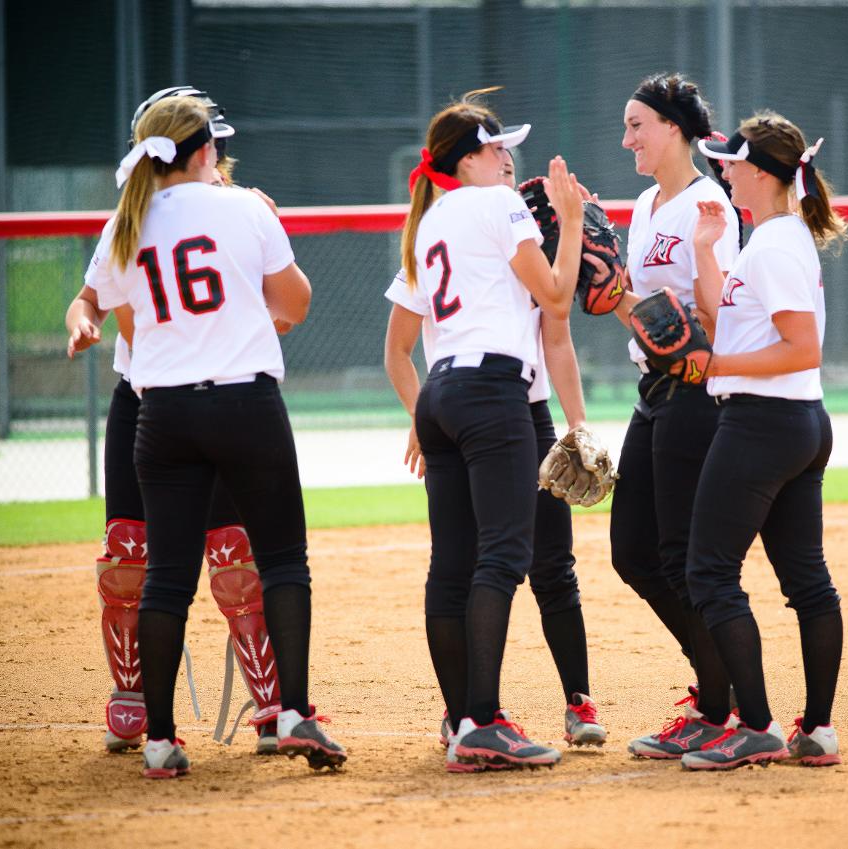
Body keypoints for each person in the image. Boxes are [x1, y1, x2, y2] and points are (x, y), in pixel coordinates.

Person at [82, 94, 345, 778]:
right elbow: (295, 304)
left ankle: (160, 739)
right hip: (242, 401)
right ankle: (291, 712)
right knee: (282, 561)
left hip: (162, 411)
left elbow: (122, 318)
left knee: (167, 579)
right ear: (205, 152)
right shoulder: (244, 207)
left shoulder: (129, 219)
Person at [384, 139, 607, 753]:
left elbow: (556, 339)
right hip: (489, 410)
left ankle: (575, 701)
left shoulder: (510, 242)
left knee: (551, 564)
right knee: (487, 561)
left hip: (521, 413)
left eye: (511, 152)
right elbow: (397, 350)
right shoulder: (467, 232)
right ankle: (473, 712)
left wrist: (577, 424)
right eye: (495, 149)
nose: (507, 158)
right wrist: (418, 415)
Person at [677, 110, 846, 770]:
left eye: (735, 162)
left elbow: (802, 348)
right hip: (798, 422)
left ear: (766, 174)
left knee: (709, 571)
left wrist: (716, 365)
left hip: (761, 424)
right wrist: (705, 250)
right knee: (807, 580)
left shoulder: (775, 246)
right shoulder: (775, 237)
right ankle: (818, 729)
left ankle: (755, 725)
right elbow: (734, 322)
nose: (724, 169)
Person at [604, 72, 743, 760]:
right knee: (631, 550)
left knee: (681, 555)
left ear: (675, 129)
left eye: (637, 125)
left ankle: (719, 705)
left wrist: (677, 326)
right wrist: (606, 285)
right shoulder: (645, 204)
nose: (627, 138)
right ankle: (720, 685)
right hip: (652, 390)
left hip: (695, 393)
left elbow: (720, 316)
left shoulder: (708, 205)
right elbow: (639, 310)